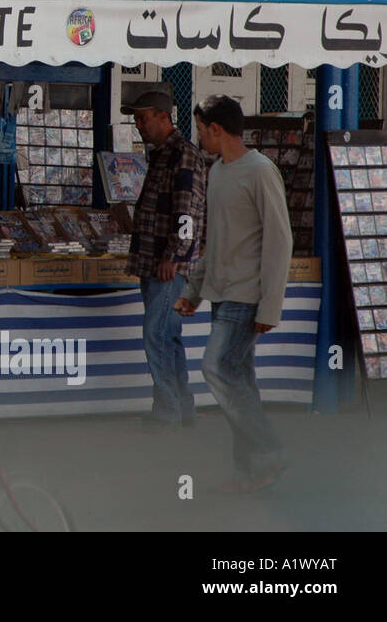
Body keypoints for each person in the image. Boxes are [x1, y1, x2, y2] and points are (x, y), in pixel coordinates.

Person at [174, 95, 292, 493]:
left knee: (217, 368)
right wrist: (193, 291)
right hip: (223, 295)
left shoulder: (260, 171)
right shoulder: (218, 172)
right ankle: (253, 470)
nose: (200, 137)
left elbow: (280, 241)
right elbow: (216, 242)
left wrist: (270, 305)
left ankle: (271, 450)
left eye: (202, 129)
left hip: (246, 296)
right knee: (241, 381)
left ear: (217, 129)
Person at [121, 90, 207, 432]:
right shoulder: (160, 155)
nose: (139, 125)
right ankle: (182, 407)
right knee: (168, 335)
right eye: (137, 119)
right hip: (154, 260)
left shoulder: (182, 154)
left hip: (167, 264)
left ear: (163, 116)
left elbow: (187, 211)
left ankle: (168, 408)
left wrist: (173, 255)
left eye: (143, 118)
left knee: (155, 333)